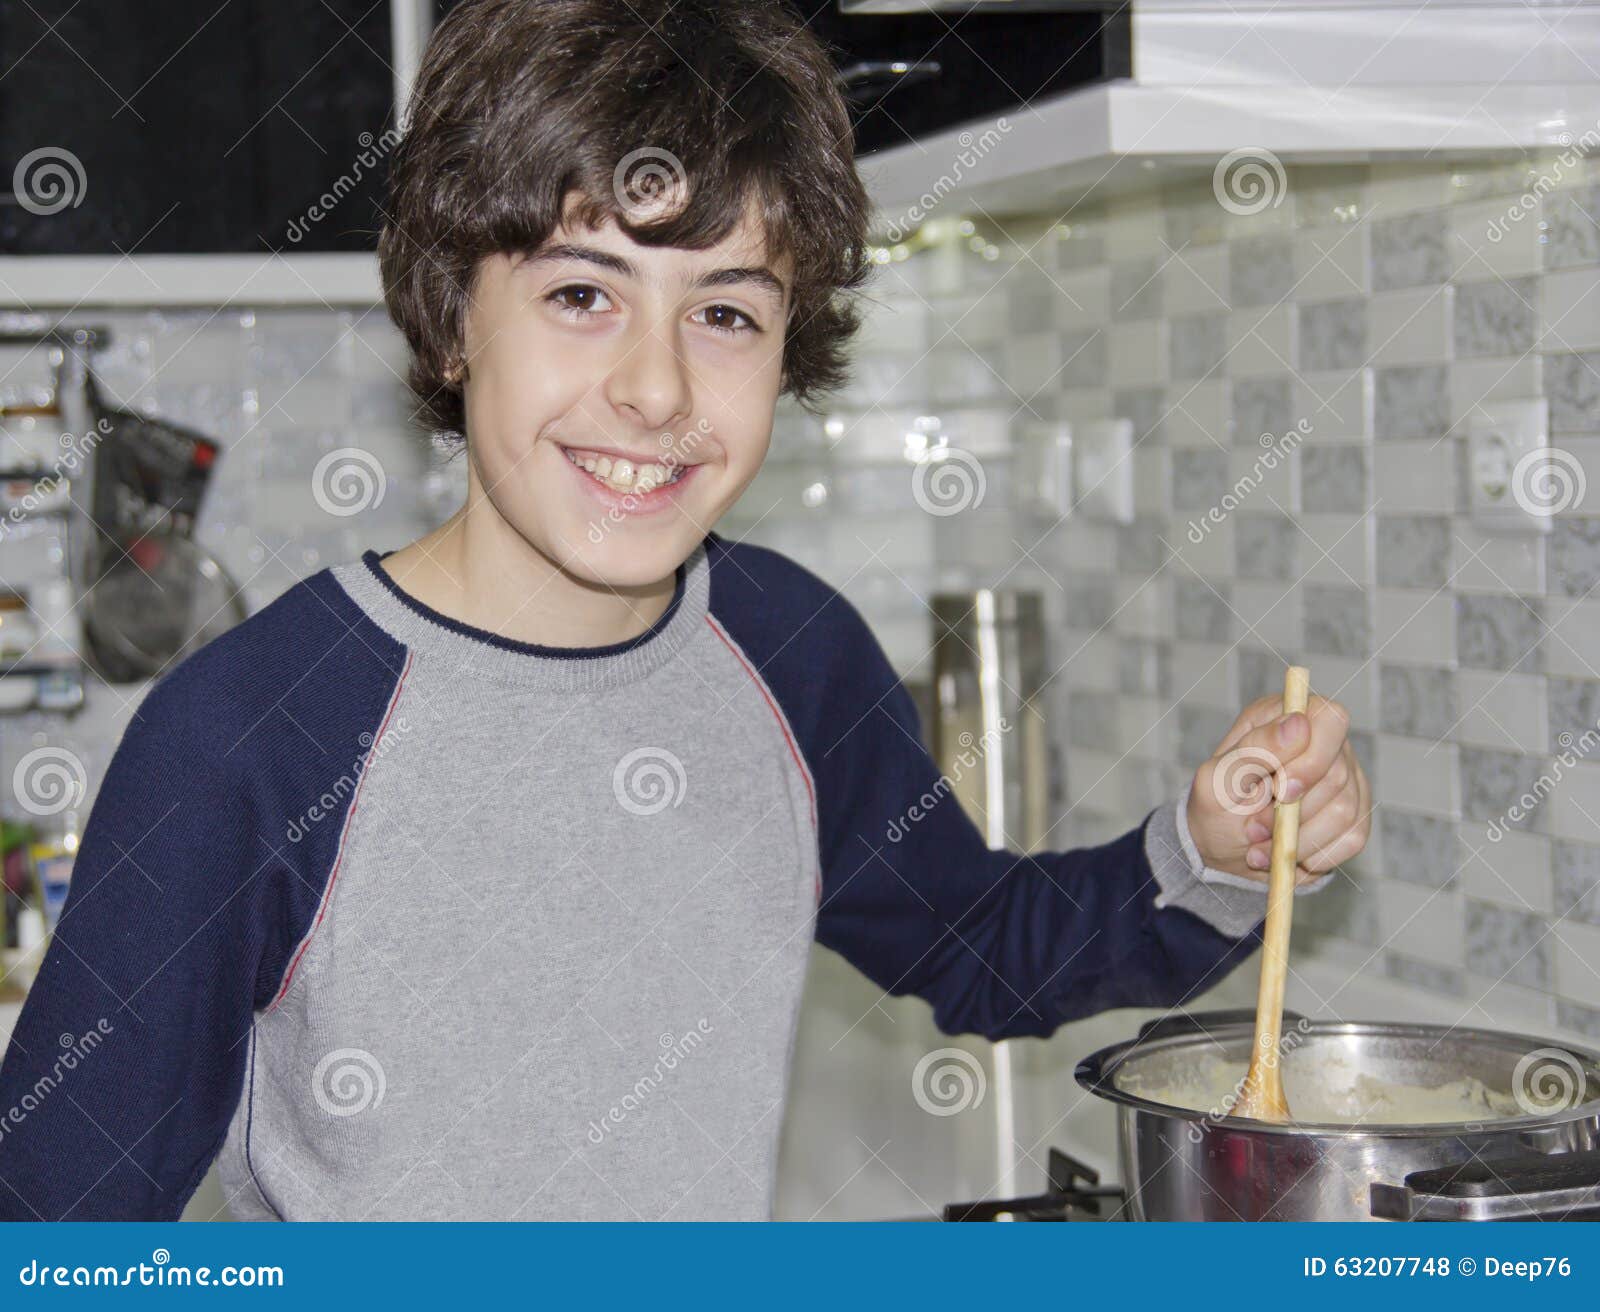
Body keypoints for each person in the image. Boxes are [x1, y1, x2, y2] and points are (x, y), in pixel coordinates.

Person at [0, 0, 1369, 1221]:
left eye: (724, 314)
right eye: (584, 294)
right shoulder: (248, 737)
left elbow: (985, 951)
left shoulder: (789, 651)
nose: (656, 391)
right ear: (455, 317)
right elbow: (56, 1236)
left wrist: (1212, 848)